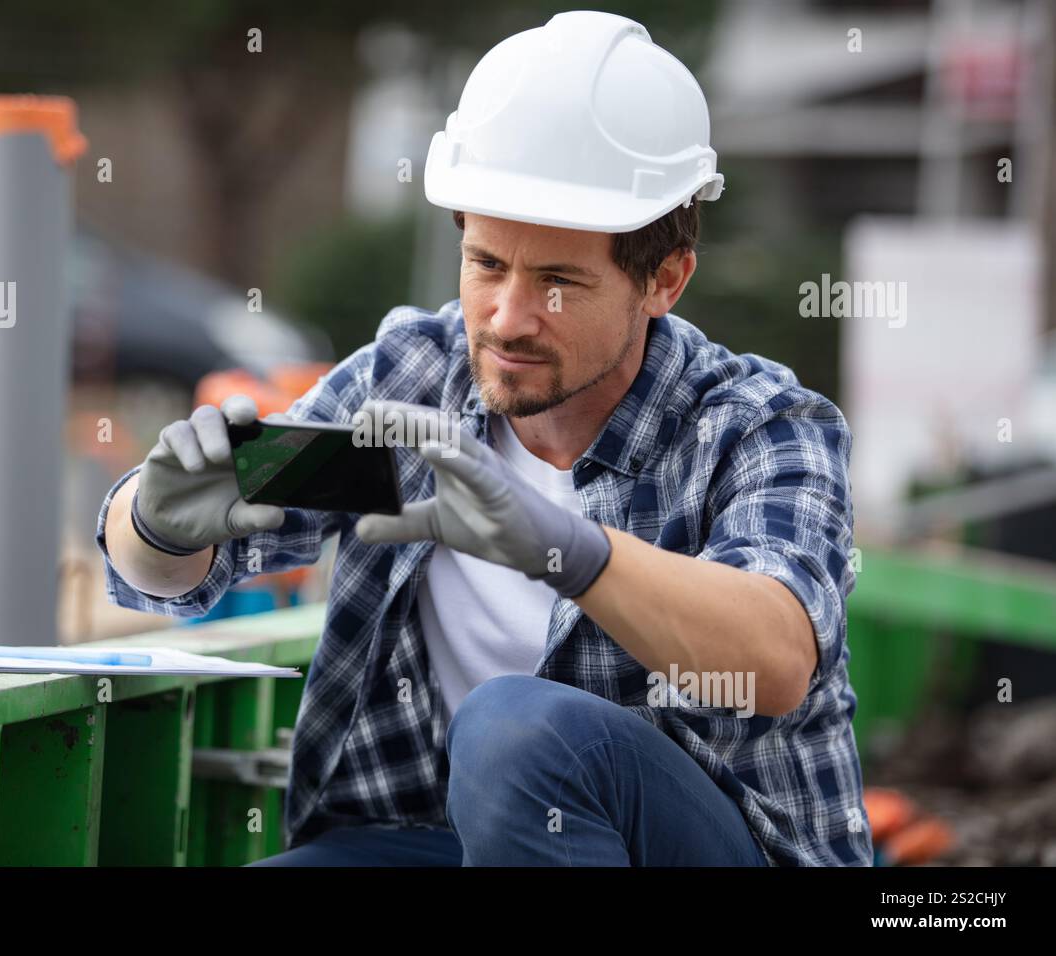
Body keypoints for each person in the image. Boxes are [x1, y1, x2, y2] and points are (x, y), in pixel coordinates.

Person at [96, 11, 871, 866]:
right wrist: (157, 522)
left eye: (558, 283)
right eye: (487, 265)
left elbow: (775, 660)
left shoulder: (756, 424)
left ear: (665, 281)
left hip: (706, 851)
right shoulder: (410, 384)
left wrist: (568, 550)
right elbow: (181, 562)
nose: (507, 319)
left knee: (518, 730)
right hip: (442, 841)